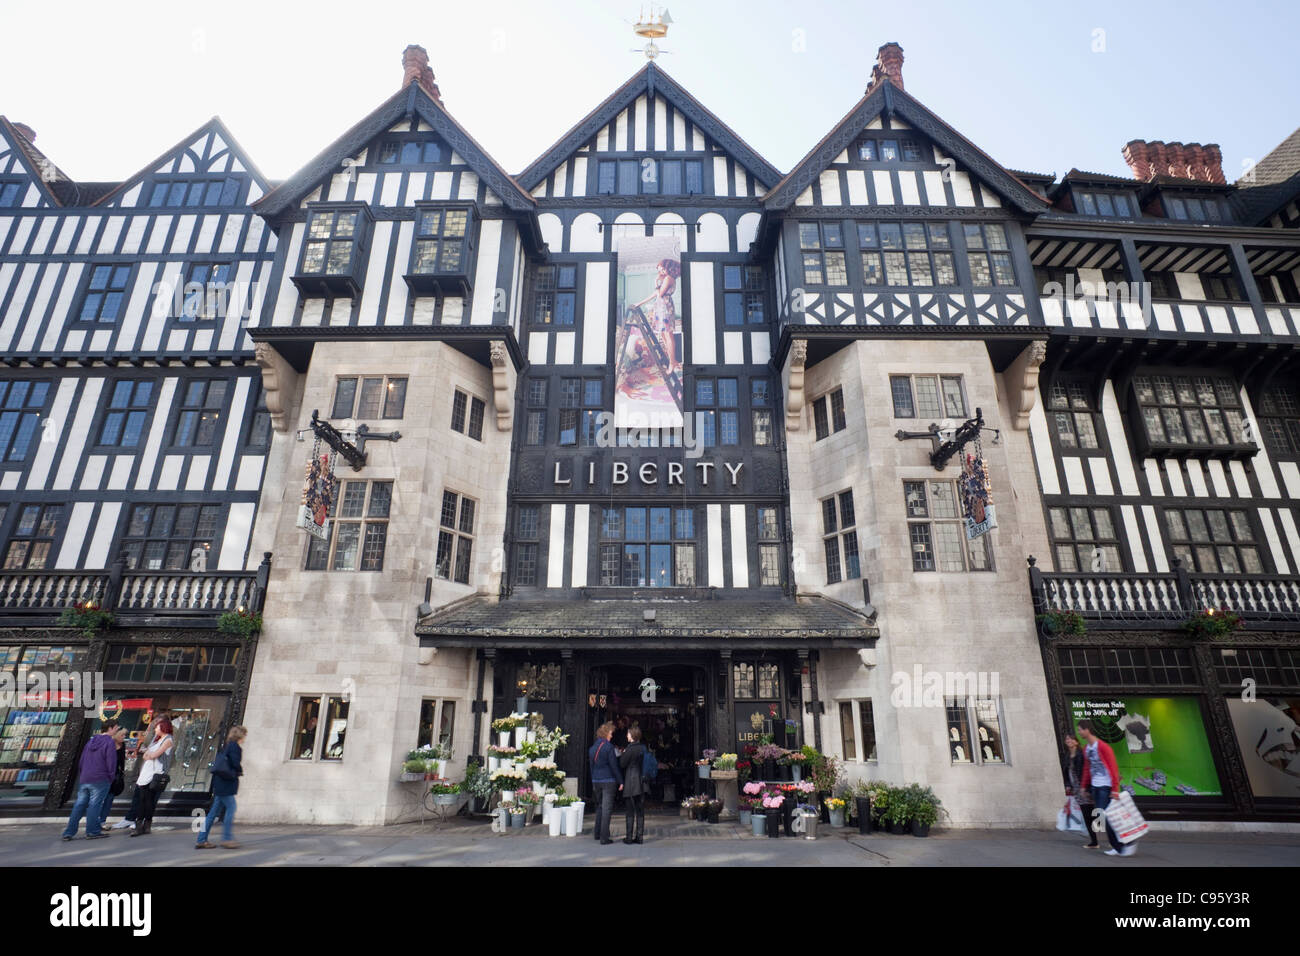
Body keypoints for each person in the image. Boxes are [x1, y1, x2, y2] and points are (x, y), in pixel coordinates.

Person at [1077, 720, 1135, 857]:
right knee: (1105, 817)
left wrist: (1115, 789)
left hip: (1105, 786)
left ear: (1087, 730)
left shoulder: (1103, 747)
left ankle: (1124, 844)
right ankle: (1118, 845)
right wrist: (1084, 786)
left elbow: (1113, 768)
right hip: (1095, 786)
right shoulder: (1087, 749)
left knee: (1107, 817)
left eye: (1080, 729)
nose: (1079, 732)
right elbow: (1087, 768)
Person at [61, 720, 119, 841]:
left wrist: (83, 774)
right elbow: (111, 762)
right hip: (100, 778)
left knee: (79, 805)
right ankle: (92, 831)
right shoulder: (109, 742)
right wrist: (110, 777)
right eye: (116, 728)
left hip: (86, 778)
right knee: (94, 805)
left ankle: (69, 832)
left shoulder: (91, 741)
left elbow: (82, 760)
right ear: (110, 728)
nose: (117, 730)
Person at [196, 726, 246, 850]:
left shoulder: (228, 745)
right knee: (231, 808)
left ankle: (201, 839)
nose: (245, 738)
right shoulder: (235, 747)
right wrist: (240, 770)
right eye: (244, 735)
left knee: (213, 813)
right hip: (226, 784)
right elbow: (235, 763)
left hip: (220, 783)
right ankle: (227, 838)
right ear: (240, 735)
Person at [130, 718, 174, 837]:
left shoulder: (168, 740)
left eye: (157, 727)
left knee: (148, 800)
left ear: (164, 727)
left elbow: (154, 754)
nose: (155, 729)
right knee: (143, 799)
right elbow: (145, 755)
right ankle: (140, 825)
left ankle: (144, 825)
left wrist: (149, 754)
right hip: (147, 773)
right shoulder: (156, 740)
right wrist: (149, 754)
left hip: (155, 774)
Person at [588, 721, 623, 845]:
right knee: (607, 809)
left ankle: (597, 833)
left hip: (596, 781)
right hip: (608, 781)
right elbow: (614, 766)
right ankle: (604, 837)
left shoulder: (592, 749)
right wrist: (620, 781)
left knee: (600, 807)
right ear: (606, 734)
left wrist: (593, 780)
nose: (612, 736)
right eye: (610, 733)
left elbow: (591, 767)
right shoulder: (609, 748)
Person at [1062, 734, 1097, 848]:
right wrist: (1068, 785)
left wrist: (1085, 786)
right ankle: (1094, 840)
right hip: (1076, 788)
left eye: (1071, 739)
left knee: (1092, 811)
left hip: (1084, 786)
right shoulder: (1067, 756)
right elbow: (1066, 773)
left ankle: (1098, 834)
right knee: (1086, 813)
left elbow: (1086, 771)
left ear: (1076, 742)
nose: (1069, 741)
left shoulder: (1081, 754)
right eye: (1067, 739)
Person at [618, 726, 647, 845]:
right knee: (640, 811)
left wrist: (622, 753)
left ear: (633, 736)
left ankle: (629, 837)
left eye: (628, 734)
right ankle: (639, 837)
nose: (627, 736)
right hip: (642, 781)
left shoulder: (629, 749)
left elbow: (622, 764)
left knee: (630, 811)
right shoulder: (643, 748)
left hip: (631, 781)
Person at [97, 726, 128, 832]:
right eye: (122, 735)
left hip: (115, 776)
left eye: (125, 735)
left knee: (109, 799)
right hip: (104, 774)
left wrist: (122, 773)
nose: (124, 737)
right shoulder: (108, 744)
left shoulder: (122, 745)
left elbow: (122, 761)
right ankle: (95, 820)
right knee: (99, 799)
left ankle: (102, 820)